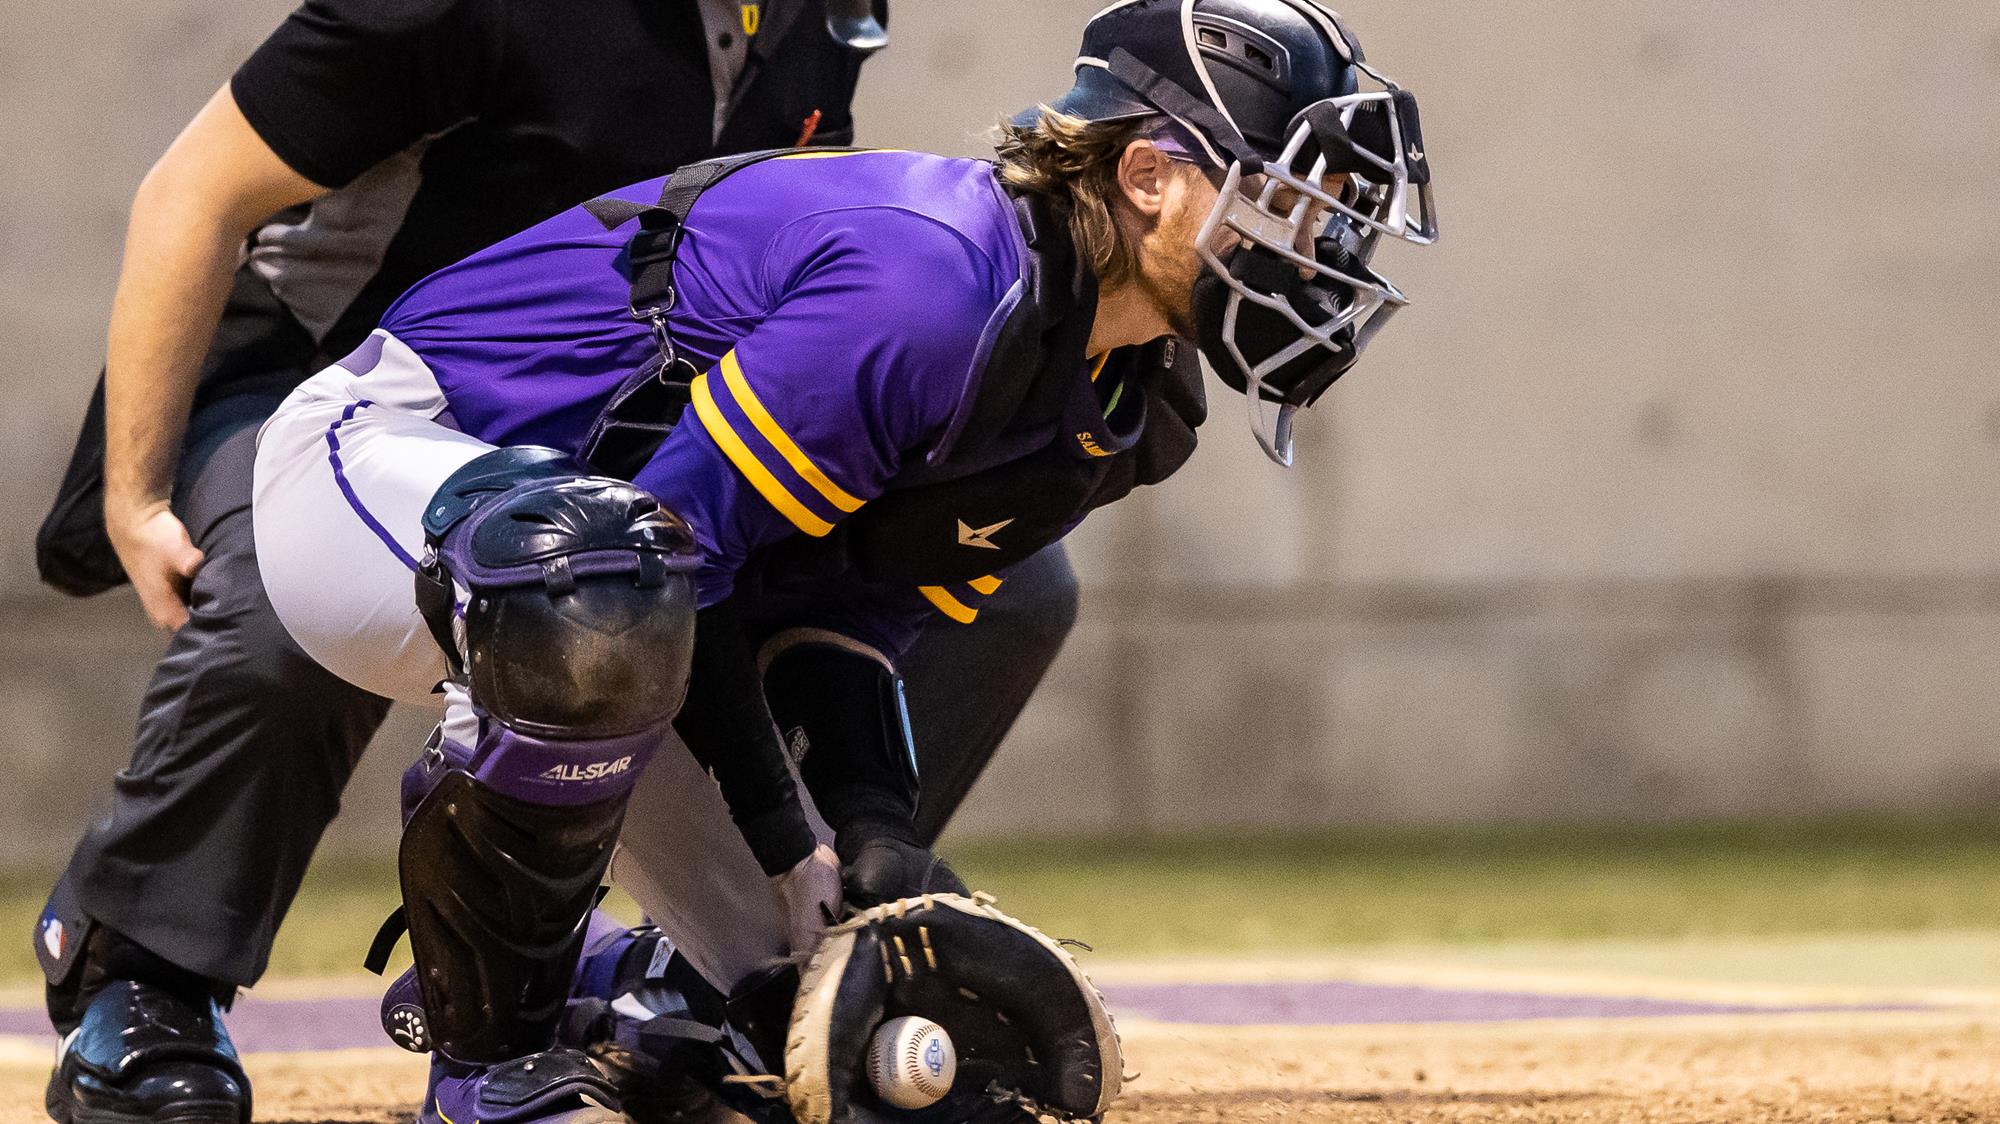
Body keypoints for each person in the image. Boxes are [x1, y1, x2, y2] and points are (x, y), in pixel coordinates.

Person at [246, 1, 1436, 1120]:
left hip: (613, 579)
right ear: (1145, 175)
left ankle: (578, 989)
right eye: (1284, 195)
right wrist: (781, 829)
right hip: (395, 457)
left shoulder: (1126, 405)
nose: (1316, 242)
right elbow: (678, 558)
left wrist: (867, 828)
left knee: (840, 1014)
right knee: (599, 581)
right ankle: (492, 1067)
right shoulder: (928, 283)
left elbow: (849, 605)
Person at [30, 3, 1080, 1122]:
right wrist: (136, 495)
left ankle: (720, 970)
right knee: (283, 601)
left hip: (586, 427)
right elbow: (191, 192)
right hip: (324, 384)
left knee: (1014, 583)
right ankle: (141, 979)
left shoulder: (816, 22)